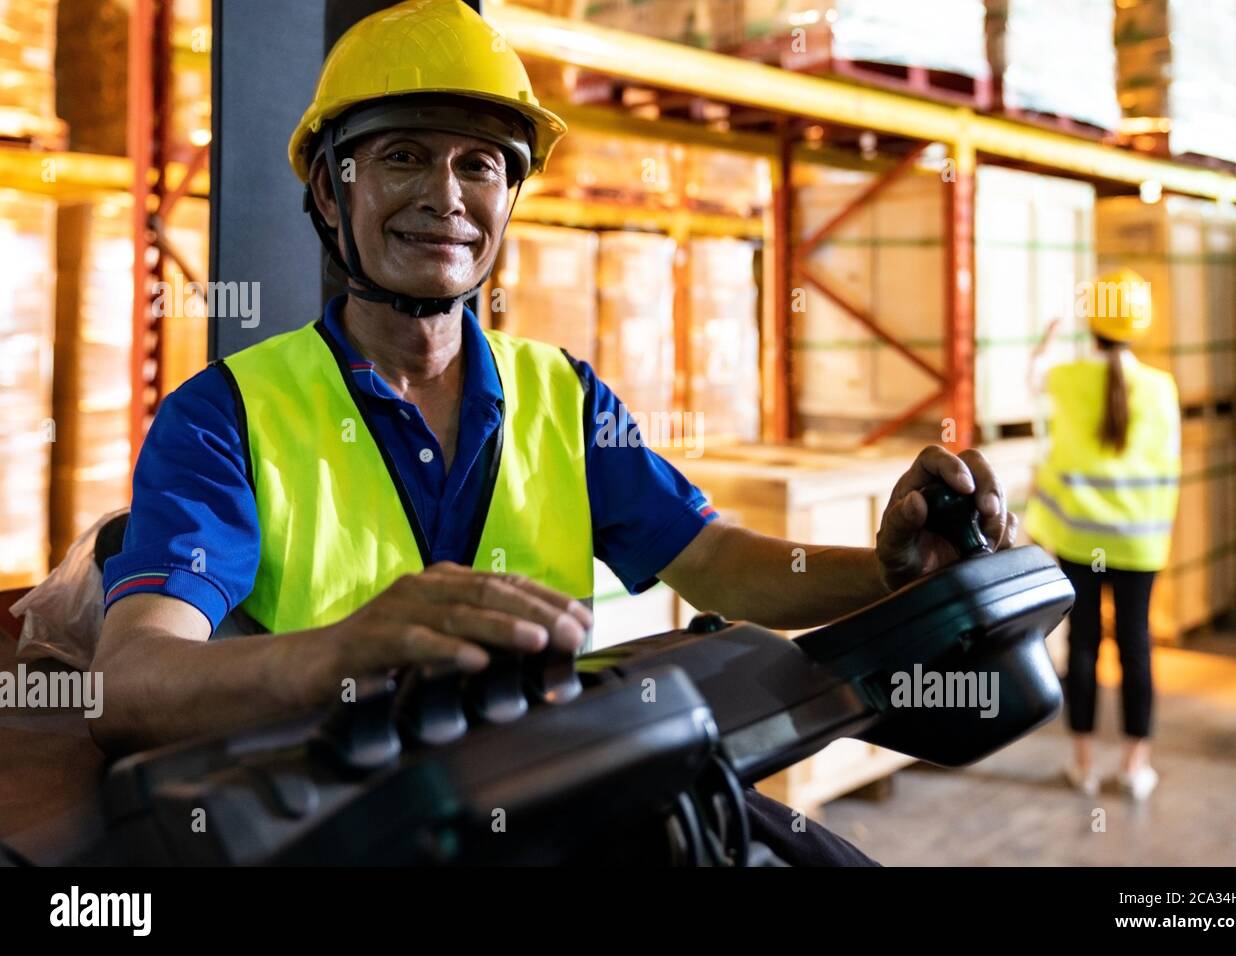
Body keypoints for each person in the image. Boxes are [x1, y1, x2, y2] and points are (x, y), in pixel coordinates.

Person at [90, 0, 1017, 862]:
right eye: (404, 156)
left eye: (479, 164)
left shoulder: (563, 396)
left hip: (560, 808)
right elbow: (130, 679)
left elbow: (715, 559)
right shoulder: (226, 413)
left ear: (509, 199)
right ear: (333, 195)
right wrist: (345, 651)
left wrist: (892, 572)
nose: (446, 196)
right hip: (360, 833)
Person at [1025, 269, 1180, 801]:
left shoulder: (1067, 380)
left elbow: (1035, 372)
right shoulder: (1161, 388)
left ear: (1092, 323)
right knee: (1136, 648)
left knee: (1084, 647)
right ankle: (1135, 767)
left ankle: (1083, 763)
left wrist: (1057, 323)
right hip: (1141, 544)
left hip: (1079, 543)